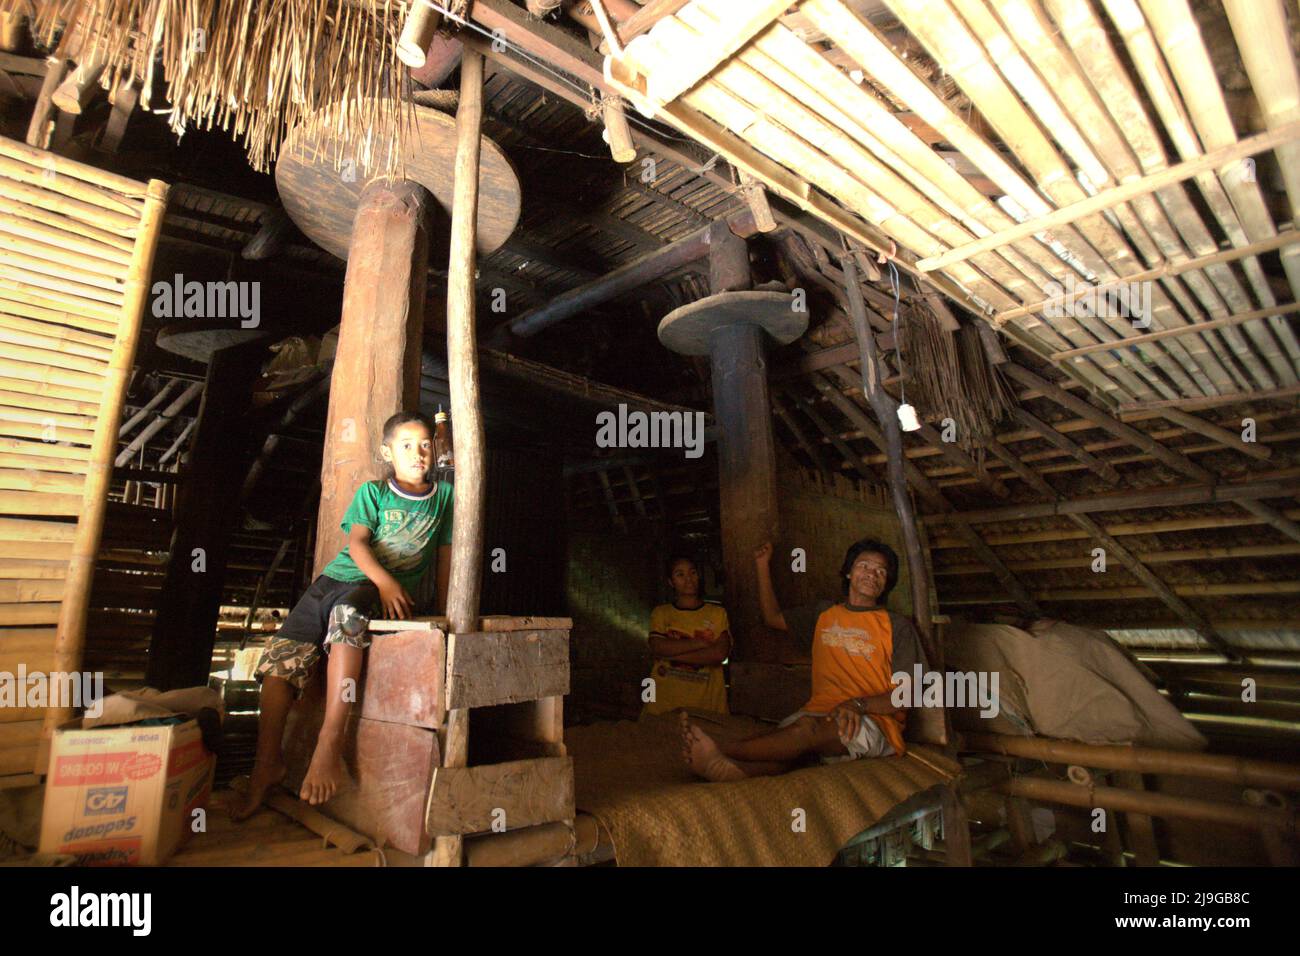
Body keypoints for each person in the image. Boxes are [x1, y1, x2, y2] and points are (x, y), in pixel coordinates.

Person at [234, 411, 453, 819]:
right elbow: (355, 545)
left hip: (365, 590)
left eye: (425, 444)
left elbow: (445, 555)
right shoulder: (373, 493)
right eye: (406, 445)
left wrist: (442, 607)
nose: (418, 453)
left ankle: (329, 743)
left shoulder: (445, 498)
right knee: (281, 658)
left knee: (347, 619)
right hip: (334, 579)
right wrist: (386, 583)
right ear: (388, 452)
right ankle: (266, 765)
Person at [681, 538, 926, 781]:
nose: (872, 574)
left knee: (805, 729)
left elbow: (907, 694)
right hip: (821, 712)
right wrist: (762, 565)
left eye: (881, 571)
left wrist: (858, 705)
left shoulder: (897, 626)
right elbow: (773, 617)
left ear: (886, 583)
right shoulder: (823, 614)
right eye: (864, 565)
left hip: (873, 722)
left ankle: (719, 749)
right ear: (849, 572)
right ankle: (727, 769)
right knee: (785, 752)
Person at [642, 556, 732, 717]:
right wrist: (701, 643)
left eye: (693, 572)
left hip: (706, 705)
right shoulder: (661, 613)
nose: (688, 579)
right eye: (680, 574)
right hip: (664, 704)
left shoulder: (717, 613)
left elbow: (718, 654)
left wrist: (671, 652)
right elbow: (657, 646)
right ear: (671, 582)